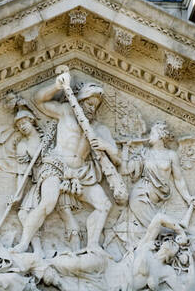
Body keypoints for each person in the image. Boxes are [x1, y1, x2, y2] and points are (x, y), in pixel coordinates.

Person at [13, 71, 122, 254]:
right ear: (79, 100)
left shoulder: (98, 128)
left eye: (95, 106)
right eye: (88, 103)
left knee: (104, 205)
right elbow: (38, 100)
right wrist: (57, 85)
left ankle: (93, 244)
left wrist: (105, 146)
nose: (91, 109)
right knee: (48, 202)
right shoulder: (65, 112)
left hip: (81, 173)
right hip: (56, 165)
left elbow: (117, 157)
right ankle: (24, 243)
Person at [123, 121, 193, 249]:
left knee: (155, 225)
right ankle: (172, 234)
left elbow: (179, 179)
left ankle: (154, 242)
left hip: (159, 198)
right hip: (140, 194)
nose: (150, 135)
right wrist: (126, 150)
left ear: (161, 135)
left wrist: (187, 197)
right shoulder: (144, 153)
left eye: (153, 133)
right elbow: (127, 171)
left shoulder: (171, 155)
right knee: (155, 225)